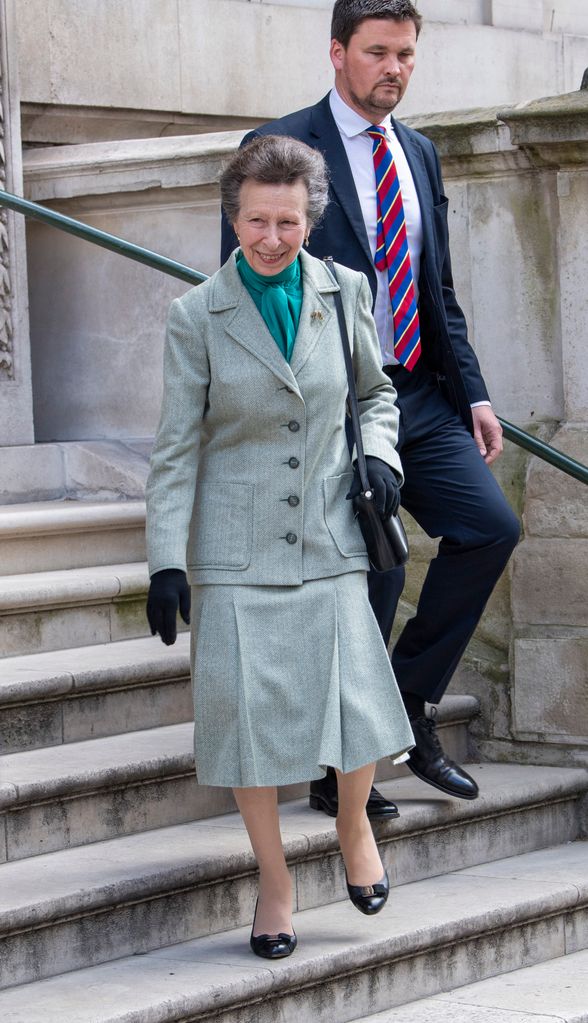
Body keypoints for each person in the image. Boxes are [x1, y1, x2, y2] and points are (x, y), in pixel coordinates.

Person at [221, 0, 520, 818]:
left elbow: (437, 290)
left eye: (407, 55)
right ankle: (336, 767)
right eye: (379, 52)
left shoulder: (418, 153)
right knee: (377, 573)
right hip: (335, 403)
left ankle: (405, 707)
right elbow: (246, 284)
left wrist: (478, 394)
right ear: (338, 52)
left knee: (490, 527)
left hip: (420, 395)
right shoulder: (280, 146)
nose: (395, 68)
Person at [146, 134, 414, 959]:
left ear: (310, 220)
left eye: (288, 221)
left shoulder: (347, 290)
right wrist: (164, 559)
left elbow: (376, 392)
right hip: (235, 548)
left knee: (357, 700)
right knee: (246, 725)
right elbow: (175, 449)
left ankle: (352, 824)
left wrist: (379, 451)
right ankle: (275, 879)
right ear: (233, 220)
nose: (272, 237)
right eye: (257, 220)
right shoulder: (196, 316)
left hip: (330, 529)